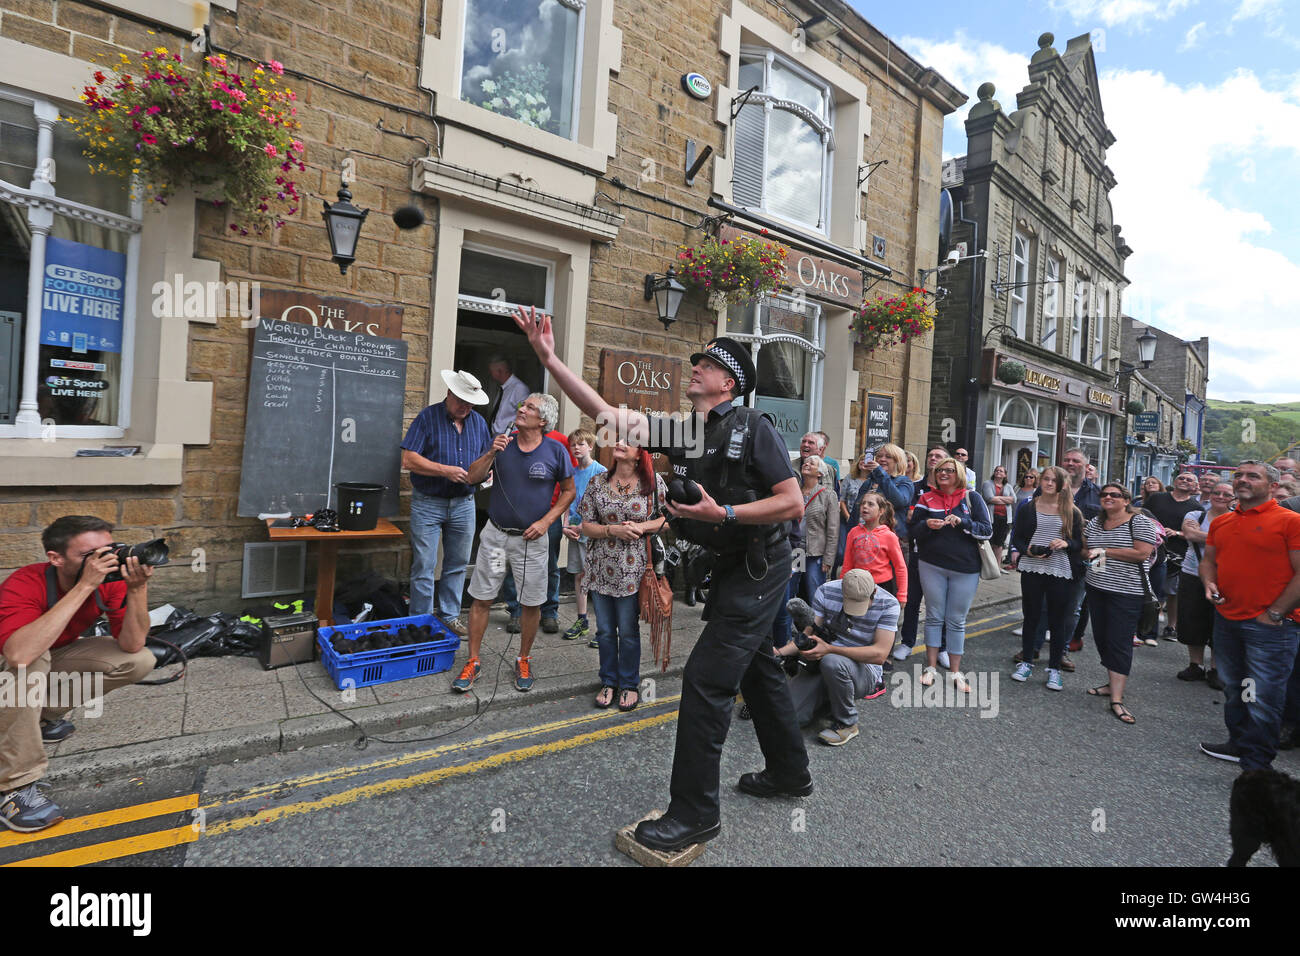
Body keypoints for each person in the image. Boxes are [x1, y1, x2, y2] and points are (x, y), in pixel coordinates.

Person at [511, 305, 808, 853]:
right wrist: (548, 357)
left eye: (705, 364)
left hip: (760, 569)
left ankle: (695, 814)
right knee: (760, 668)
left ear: (729, 381)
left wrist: (724, 516)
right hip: (731, 569)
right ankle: (790, 772)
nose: (693, 368)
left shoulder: (751, 427)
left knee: (706, 683)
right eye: (695, 362)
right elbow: (605, 415)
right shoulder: (687, 431)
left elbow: (791, 504)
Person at [0, 516, 158, 831]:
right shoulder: (24, 583)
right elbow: (18, 654)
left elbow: (132, 643)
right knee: (30, 662)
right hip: (11, 666)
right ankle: (13, 787)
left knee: (140, 660)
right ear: (55, 558)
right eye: (89, 556)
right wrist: (86, 585)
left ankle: (38, 719)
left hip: (49, 656)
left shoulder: (110, 583)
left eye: (108, 550)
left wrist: (137, 589)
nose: (102, 561)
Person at [452, 393, 575, 695]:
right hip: (495, 537)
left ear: (543, 420)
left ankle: (523, 659)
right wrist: (492, 453)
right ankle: (473, 660)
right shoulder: (502, 443)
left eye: (530, 407)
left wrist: (547, 521)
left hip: (531, 543)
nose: (522, 410)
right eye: (523, 405)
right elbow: (472, 477)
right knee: (481, 598)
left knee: (531, 602)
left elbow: (569, 491)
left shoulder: (555, 450)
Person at [1198, 460, 1300, 769]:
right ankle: (1238, 742)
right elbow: (1208, 561)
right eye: (1239, 475)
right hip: (1227, 617)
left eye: (1252, 476)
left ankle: (1258, 763)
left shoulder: (1291, 521)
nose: (1242, 480)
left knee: (1264, 695)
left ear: (1272, 486)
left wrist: (1276, 612)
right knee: (1234, 687)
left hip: (1272, 626)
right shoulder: (1222, 522)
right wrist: (1208, 583)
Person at [400, 369, 493, 635]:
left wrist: (487, 472)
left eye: (470, 402)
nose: (466, 407)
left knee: (457, 564)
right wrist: (445, 470)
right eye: (461, 400)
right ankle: (420, 622)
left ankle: (450, 615)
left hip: (464, 503)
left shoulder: (478, 422)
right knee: (424, 566)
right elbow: (408, 460)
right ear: (449, 393)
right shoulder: (427, 417)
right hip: (428, 502)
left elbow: (482, 460)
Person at [578, 441, 667, 712]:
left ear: (640, 453)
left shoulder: (652, 482)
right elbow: (586, 525)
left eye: (628, 442)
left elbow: (667, 519)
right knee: (605, 631)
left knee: (628, 632)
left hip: (634, 571)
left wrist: (640, 527)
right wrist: (611, 531)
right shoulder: (597, 482)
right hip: (600, 568)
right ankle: (608, 681)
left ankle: (629, 684)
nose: (618, 443)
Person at [779, 569, 896, 746]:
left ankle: (847, 723)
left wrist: (830, 650)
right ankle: (829, 702)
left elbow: (880, 655)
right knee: (786, 717)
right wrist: (779, 653)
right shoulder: (826, 591)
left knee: (832, 662)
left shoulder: (888, 604)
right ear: (842, 590)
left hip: (861, 669)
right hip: (823, 661)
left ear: (874, 592)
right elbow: (809, 632)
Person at [909, 456, 993, 693]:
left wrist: (963, 521)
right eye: (939, 470)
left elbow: (987, 530)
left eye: (949, 470)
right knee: (934, 617)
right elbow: (912, 530)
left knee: (956, 620)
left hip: (965, 569)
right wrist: (927, 525)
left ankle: (956, 672)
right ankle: (931, 668)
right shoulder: (926, 498)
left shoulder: (971, 497)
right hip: (931, 565)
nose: (944, 473)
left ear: (959, 474)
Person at [1081, 483, 1160, 725]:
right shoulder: (1095, 522)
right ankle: (1110, 683)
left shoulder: (1140, 522)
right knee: (1103, 638)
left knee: (1119, 641)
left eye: (1114, 495)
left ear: (1126, 500)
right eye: (1104, 494)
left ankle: (1116, 698)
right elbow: (1087, 550)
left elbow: (1141, 553)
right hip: (1097, 588)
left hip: (1127, 592)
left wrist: (1105, 551)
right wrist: (1094, 557)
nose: (1108, 498)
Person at [1008, 466, 1084, 691]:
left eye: (1054, 480)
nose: (1049, 483)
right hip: (1032, 567)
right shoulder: (1028, 507)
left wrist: (1065, 543)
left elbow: (1079, 544)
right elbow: (1018, 538)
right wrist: (1028, 551)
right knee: (1030, 617)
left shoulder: (1072, 511)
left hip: (1060, 569)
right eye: (1046, 479)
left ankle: (1054, 669)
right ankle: (1027, 663)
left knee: (1057, 620)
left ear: (1062, 484)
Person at [501, 427, 577, 635]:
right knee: (515, 563)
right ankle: (516, 611)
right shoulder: (514, 437)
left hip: (549, 515)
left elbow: (570, 479)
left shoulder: (561, 440)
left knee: (550, 565)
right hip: (517, 514)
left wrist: (564, 514)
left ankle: (549, 612)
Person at [893, 444, 948, 662]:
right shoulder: (915, 486)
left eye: (939, 456)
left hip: (944, 557)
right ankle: (907, 642)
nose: (933, 458)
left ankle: (941, 647)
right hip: (917, 553)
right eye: (931, 455)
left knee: (939, 605)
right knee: (913, 602)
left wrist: (917, 517)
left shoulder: (953, 490)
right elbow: (906, 516)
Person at [1177, 481, 1233, 689]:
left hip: (1225, 576)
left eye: (1226, 494)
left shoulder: (1237, 517)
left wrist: (1204, 536)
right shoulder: (1195, 515)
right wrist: (1223, 538)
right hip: (1192, 573)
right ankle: (1196, 664)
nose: (1220, 496)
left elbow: (1238, 540)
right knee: (1192, 619)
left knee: (1220, 622)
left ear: (1233, 498)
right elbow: (1189, 534)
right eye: (1217, 492)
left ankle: (1216, 669)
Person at [1139, 470, 1204, 644]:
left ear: (1194, 486)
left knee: (1170, 593)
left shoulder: (1196, 508)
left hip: (1177, 553)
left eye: (1189, 479)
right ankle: (1142, 629)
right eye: (1181, 478)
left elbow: (1195, 534)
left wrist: (1176, 532)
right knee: (1147, 589)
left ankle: (1170, 627)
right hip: (1149, 548)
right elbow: (1141, 516)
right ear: (1174, 482)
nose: (1184, 481)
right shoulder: (1157, 498)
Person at [561, 429, 606, 643]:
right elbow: (567, 500)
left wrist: (587, 527)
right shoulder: (571, 472)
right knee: (579, 576)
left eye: (581, 444)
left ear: (590, 446)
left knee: (597, 579)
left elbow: (606, 508)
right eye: (573, 445)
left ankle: (604, 629)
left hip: (594, 534)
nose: (576, 448)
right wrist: (565, 525)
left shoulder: (601, 472)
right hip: (575, 533)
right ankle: (582, 621)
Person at [842, 492, 907, 603]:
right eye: (863, 503)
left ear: (881, 511)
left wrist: (902, 595)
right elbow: (848, 563)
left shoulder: (889, 536)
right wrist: (842, 586)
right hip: (858, 585)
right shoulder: (853, 533)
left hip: (882, 587)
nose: (865, 506)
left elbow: (900, 567)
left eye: (870, 504)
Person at [794, 455, 838, 606]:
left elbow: (833, 530)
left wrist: (828, 559)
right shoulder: (794, 492)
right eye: (805, 462)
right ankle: (790, 627)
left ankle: (815, 627)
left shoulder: (828, 494)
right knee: (790, 592)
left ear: (819, 473)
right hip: (795, 551)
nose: (806, 464)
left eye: (811, 463)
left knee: (815, 593)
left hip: (816, 553)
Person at [834, 451, 872, 575]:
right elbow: (842, 499)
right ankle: (835, 574)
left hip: (865, 523)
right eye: (861, 460)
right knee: (841, 551)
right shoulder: (850, 478)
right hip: (848, 520)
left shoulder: (873, 481)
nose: (863, 462)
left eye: (866, 460)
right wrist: (848, 516)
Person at [485, 355, 530, 437]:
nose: (490, 374)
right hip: (496, 437)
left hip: (508, 438)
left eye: (491, 371)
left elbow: (524, 415)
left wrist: (511, 436)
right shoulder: (503, 388)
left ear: (500, 371)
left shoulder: (519, 388)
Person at [980, 465, 1016, 566]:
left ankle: (997, 566)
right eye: (997, 470)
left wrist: (998, 498)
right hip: (992, 517)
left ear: (1005, 474)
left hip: (1005, 518)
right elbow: (989, 498)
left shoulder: (1008, 486)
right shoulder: (987, 484)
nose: (998, 472)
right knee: (990, 542)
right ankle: (988, 565)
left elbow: (1014, 499)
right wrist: (1006, 499)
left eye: (1001, 471)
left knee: (1000, 543)